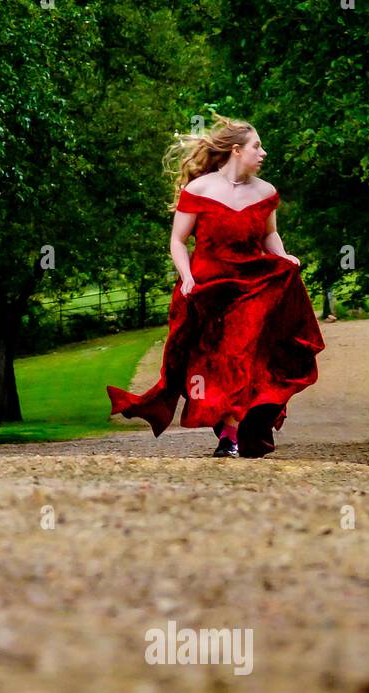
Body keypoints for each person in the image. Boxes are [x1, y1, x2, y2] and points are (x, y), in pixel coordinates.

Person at [106, 115, 325, 458]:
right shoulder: (199, 190)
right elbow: (178, 241)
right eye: (257, 146)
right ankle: (227, 432)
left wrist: (284, 257)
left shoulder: (266, 192)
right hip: (207, 289)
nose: (263, 153)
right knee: (208, 363)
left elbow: (269, 234)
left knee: (240, 355)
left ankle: (238, 431)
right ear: (236, 151)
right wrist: (188, 277)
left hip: (252, 286)